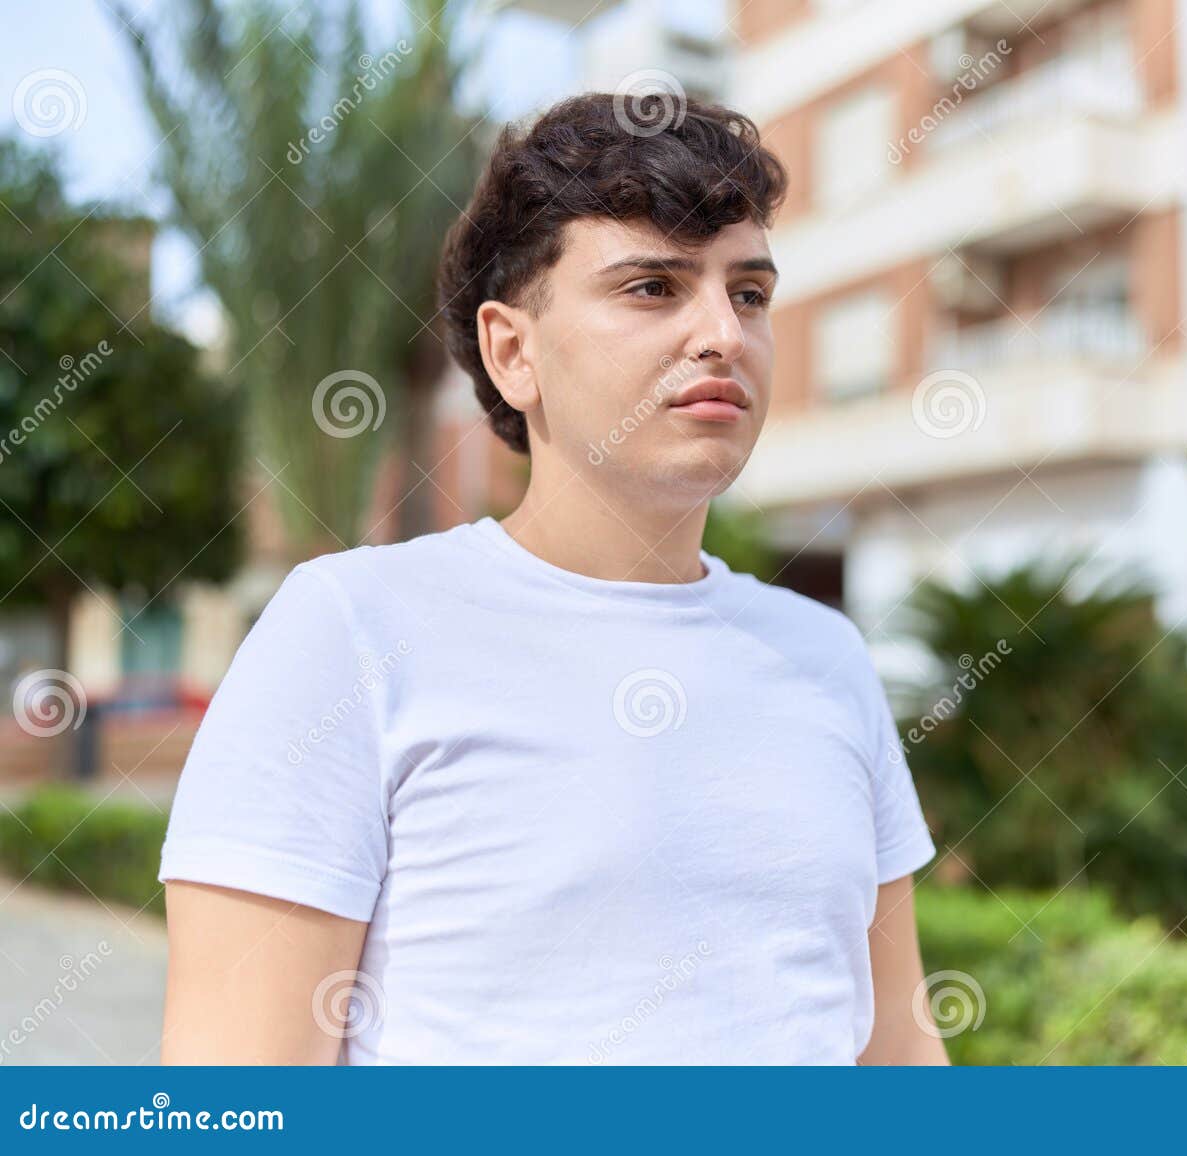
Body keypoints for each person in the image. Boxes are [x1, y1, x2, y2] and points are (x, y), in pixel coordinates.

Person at [157, 91, 947, 1065]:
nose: (723, 335)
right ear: (511, 350)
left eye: (748, 293)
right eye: (653, 288)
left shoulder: (823, 653)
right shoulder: (350, 631)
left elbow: (902, 1063)